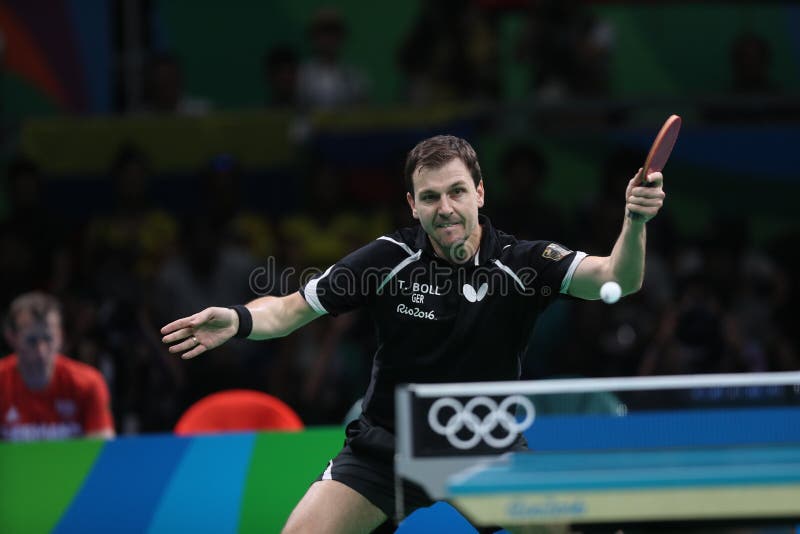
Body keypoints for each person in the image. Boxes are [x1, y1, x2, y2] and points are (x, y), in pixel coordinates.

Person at [161, 135, 666, 532]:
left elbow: (618, 279)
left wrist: (635, 220)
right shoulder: (387, 259)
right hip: (387, 448)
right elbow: (290, 310)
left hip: (483, 448)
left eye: (456, 191)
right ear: (412, 204)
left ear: (479, 192)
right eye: (430, 197)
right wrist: (239, 318)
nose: (444, 208)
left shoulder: (523, 263)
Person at [1, 292, 115, 441]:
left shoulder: (88, 383)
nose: (41, 351)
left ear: (60, 337)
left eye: (48, 339)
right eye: (31, 341)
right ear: (11, 337)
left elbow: (102, 452)